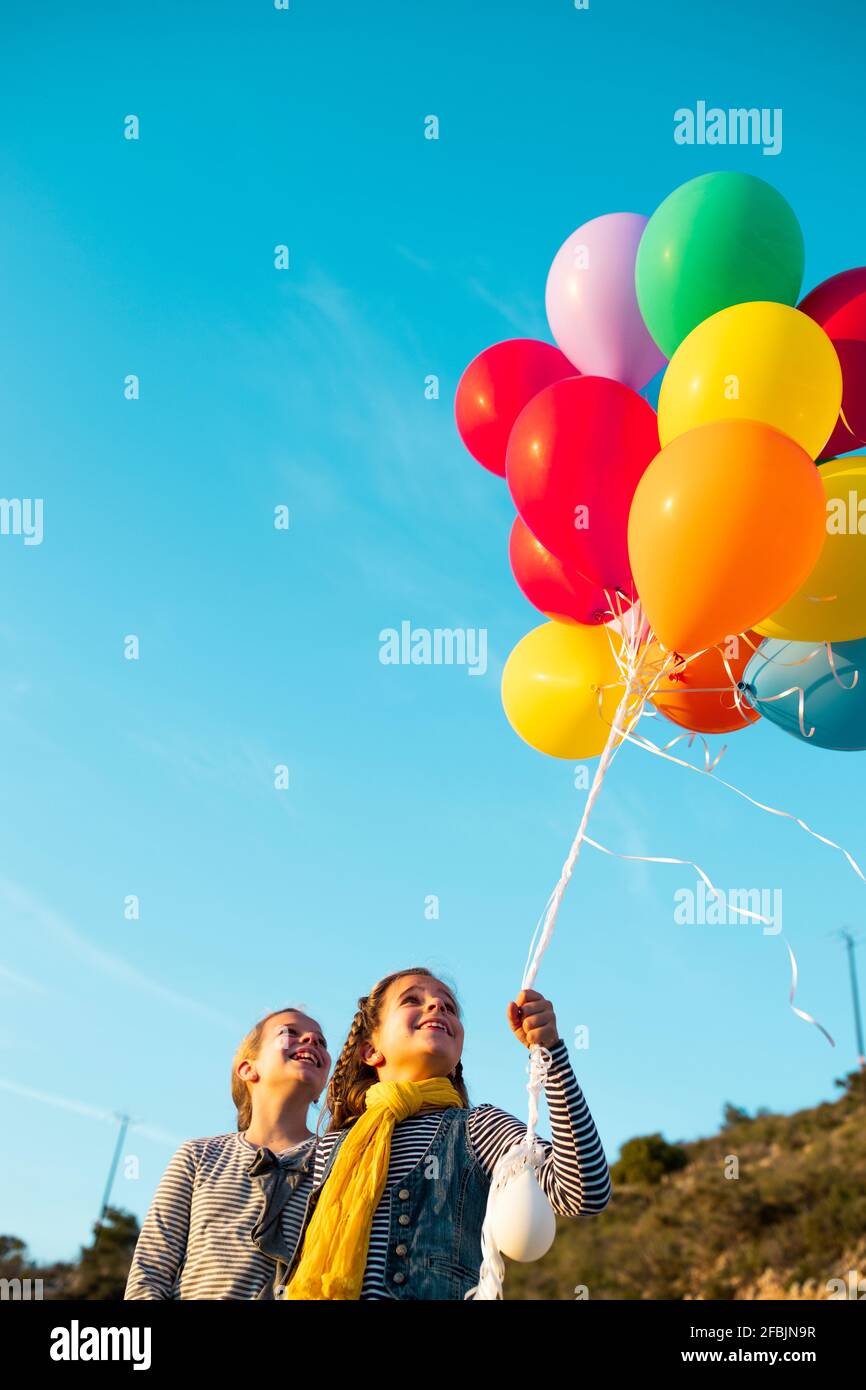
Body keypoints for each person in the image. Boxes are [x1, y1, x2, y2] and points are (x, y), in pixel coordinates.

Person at [281, 967, 611, 1300]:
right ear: (371, 1051)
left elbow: (585, 1192)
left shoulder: (479, 1128)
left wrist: (550, 1053)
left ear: (455, 1062)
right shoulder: (330, 1148)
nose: (436, 1007)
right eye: (412, 999)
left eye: (449, 1007)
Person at [125, 1006, 330, 1299]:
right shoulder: (198, 1156)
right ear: (248, 1068)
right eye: (290, 1033)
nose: (311, 1039)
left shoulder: (338, 1160)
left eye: (321, 1041)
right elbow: (150, 1272)